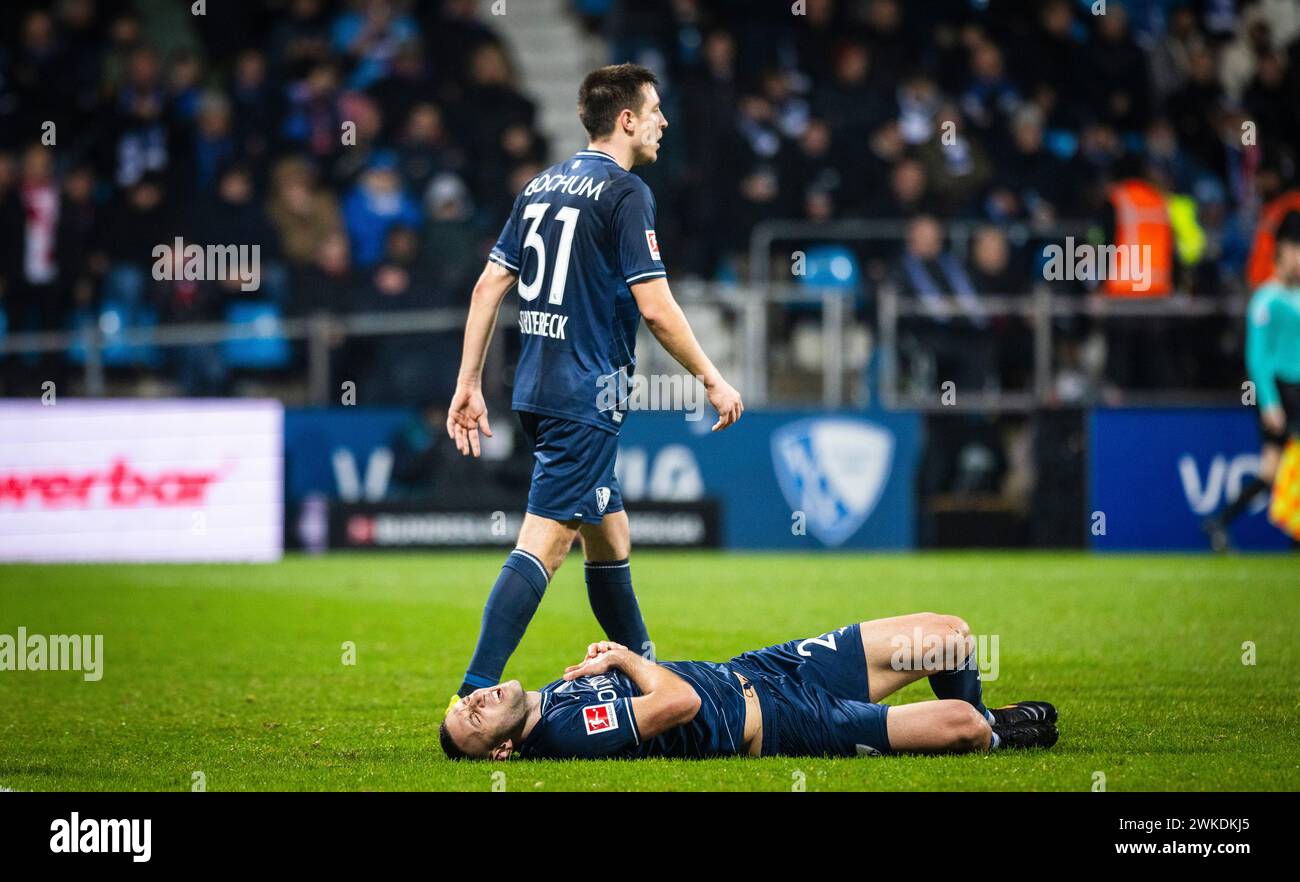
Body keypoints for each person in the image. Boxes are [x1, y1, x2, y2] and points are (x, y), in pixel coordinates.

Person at [445, 63, 744, 706]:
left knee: (608, 532)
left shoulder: (541, 184)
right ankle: (471, 695)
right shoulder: (627, 193)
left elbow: (488, 287)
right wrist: (713, 380)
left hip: (536, 387)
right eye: (655, 109)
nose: (664, 120)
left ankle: (646, 668)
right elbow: (658, 308)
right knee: (545, 544)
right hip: (586, 396)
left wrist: (470, 382)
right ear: (627, 119)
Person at [440, 611, 1058, 760]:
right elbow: (678, 702)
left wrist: (613, 660)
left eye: (465, 701)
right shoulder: (566, 735)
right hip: (782, 722)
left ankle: (994, 717)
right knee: (962, 726)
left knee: (948, 635)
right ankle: (994, 731)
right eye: (473, 719)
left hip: (765, 668)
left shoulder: (549, 698)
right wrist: (626, 659)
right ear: (501, 750)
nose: (475, 700)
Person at [1204, 211, 1300, 550]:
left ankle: (1220, 522)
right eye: (1297, 251)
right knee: (1283, 469)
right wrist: (1269, 403)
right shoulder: (1265, 299)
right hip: (1280, 390)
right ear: (1283, 251)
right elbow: (1257, 357)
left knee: (1273, 472)